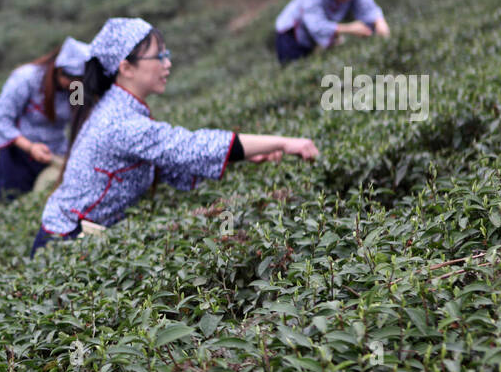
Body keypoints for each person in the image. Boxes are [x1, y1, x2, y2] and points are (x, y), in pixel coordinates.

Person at [33, 18, 319, 256]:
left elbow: (172, 163)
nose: (167, 63)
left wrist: (246, 154)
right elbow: (188, 147)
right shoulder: (119, 121)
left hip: (79, 236)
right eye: (159, 56)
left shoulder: (121, 108)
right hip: (65, 242)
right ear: (126, 67)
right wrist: (284, 141)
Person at [0, 37, 90, 201]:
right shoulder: (26, 78)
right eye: (69, 79)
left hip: (53, 153)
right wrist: (30, 147)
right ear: (58, 70)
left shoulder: (75, 87)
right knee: (14, 202)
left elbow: (77, 121)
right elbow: (1, 119)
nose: (72, 85)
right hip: (20, 155)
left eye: (78, 81)